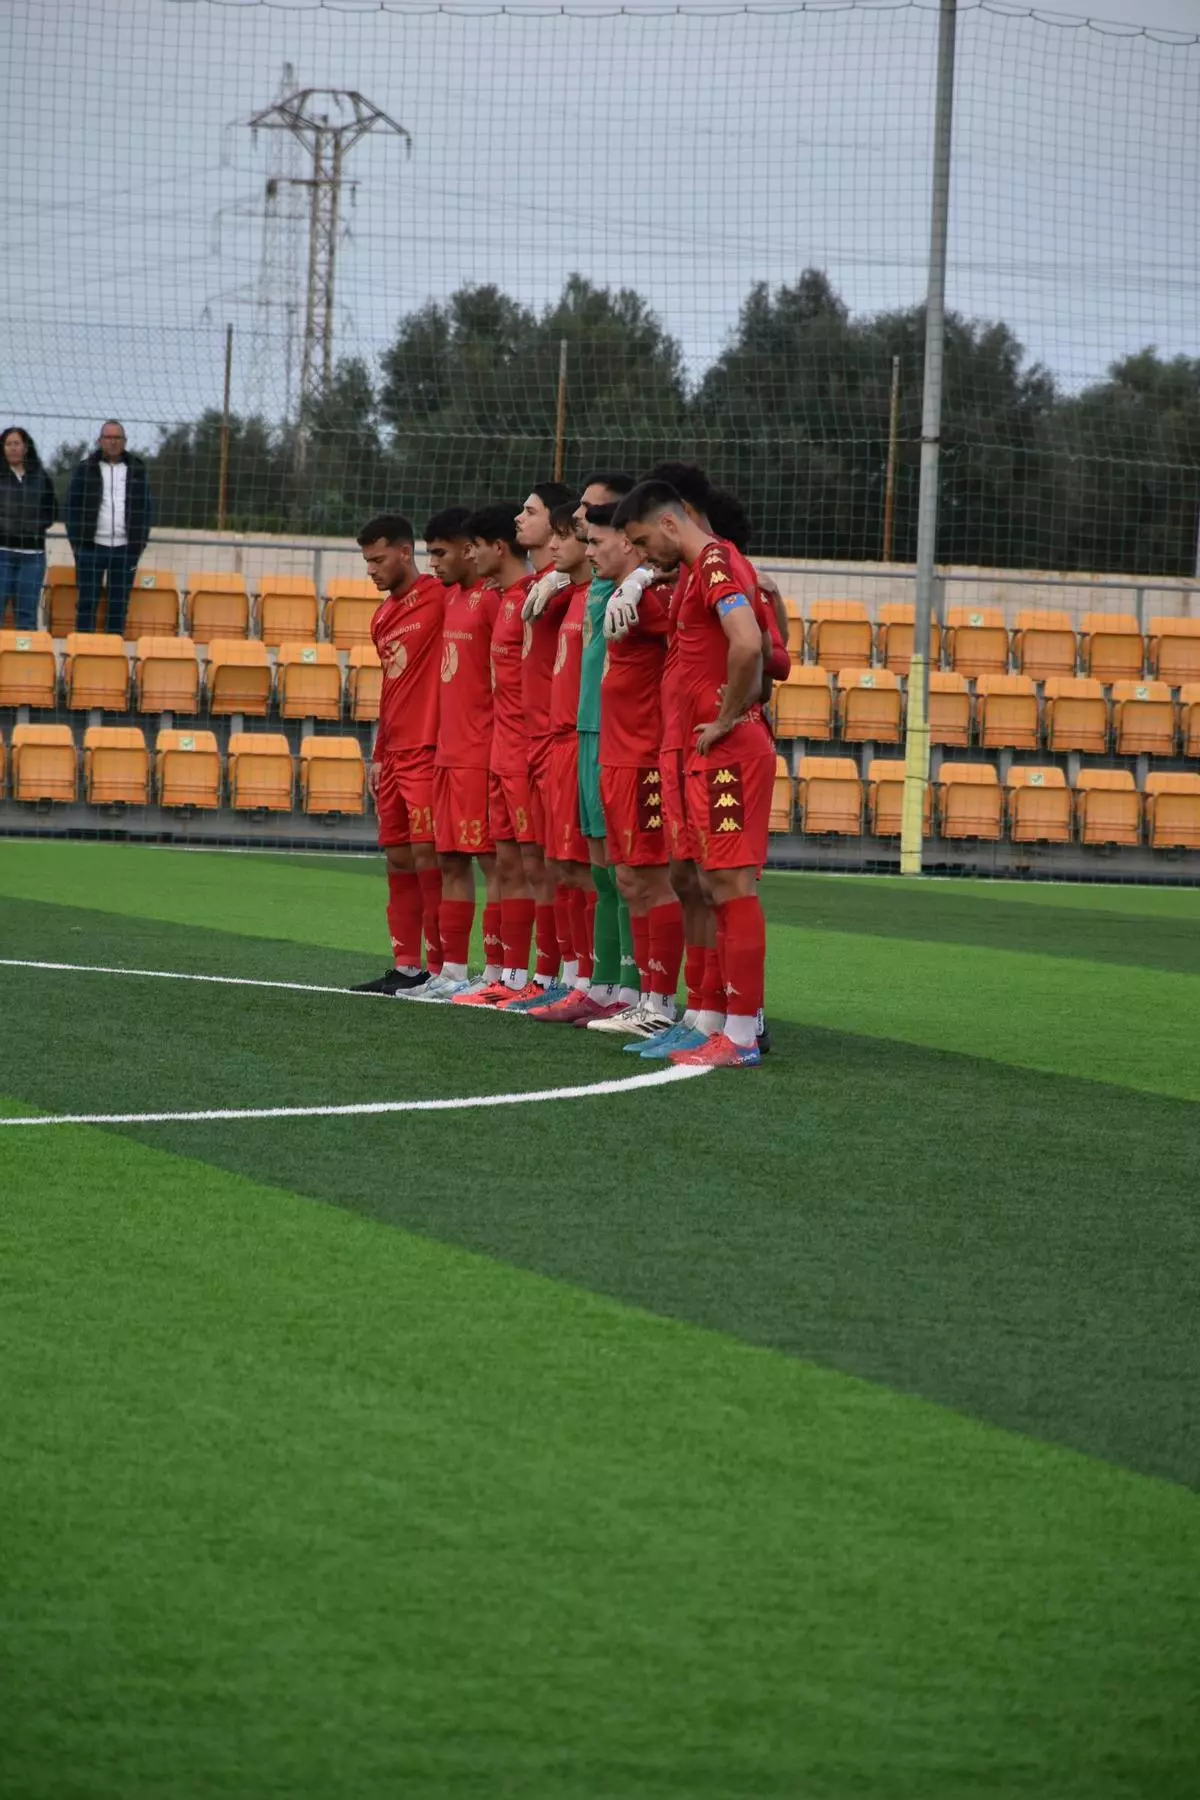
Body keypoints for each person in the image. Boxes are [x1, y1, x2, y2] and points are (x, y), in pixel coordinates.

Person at [612, 480, 776, 1069]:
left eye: (641, 542)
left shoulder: (713, 563)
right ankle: (708, 1018)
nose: (641, 554)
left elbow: (749, 644)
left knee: (730, 886)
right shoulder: (693, 571)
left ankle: (742, 1034)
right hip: (694, 752)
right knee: (703, 885)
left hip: (725, 750)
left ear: (670, 523)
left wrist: (728, 716)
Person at [582, 502, 681, 1045]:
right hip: (616, 756)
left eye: (597, 541)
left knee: (651, 881)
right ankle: (643, 997)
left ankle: (661, 1002)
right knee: (626, 880)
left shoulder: (652, 598)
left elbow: (694, 635)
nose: (589, 551)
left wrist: (645, 579)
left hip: (644, 757)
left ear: (628, 542)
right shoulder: (619, 595)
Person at [349, 514, 446, 997]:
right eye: (367, 561)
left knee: (430, 855)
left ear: (405, 553)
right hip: (395, 753)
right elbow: (392, 689)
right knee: (399, 858)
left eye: (378, 559)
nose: (371, 569)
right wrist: (379, 752)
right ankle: (406, 966)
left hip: (431, 749)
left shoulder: (441, 597)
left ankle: (442, 968)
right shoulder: (381, 617)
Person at [65, 421, 153, 635]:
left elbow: (146, 507)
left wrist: (139, 543)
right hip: (90, 548)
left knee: (119, 604)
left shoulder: (137, 469)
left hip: (126, 550)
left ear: (125, 441)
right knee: (87, 602)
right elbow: (71, 506)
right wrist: (77, 543)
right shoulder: (85, 468)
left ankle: (113, 647)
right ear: (100, 441)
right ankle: (83, 647)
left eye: (117, 438)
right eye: (108, 437)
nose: (112, 442)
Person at [0, 428, 57, 631]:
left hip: (33, 556)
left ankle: (25, 651)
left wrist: (36, 526)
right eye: (8, 444)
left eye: (17, 443)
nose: (13, 448)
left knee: (27, 615)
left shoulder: (40, 477)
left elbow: (52, 510)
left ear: (26, 448)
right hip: (2, 553)